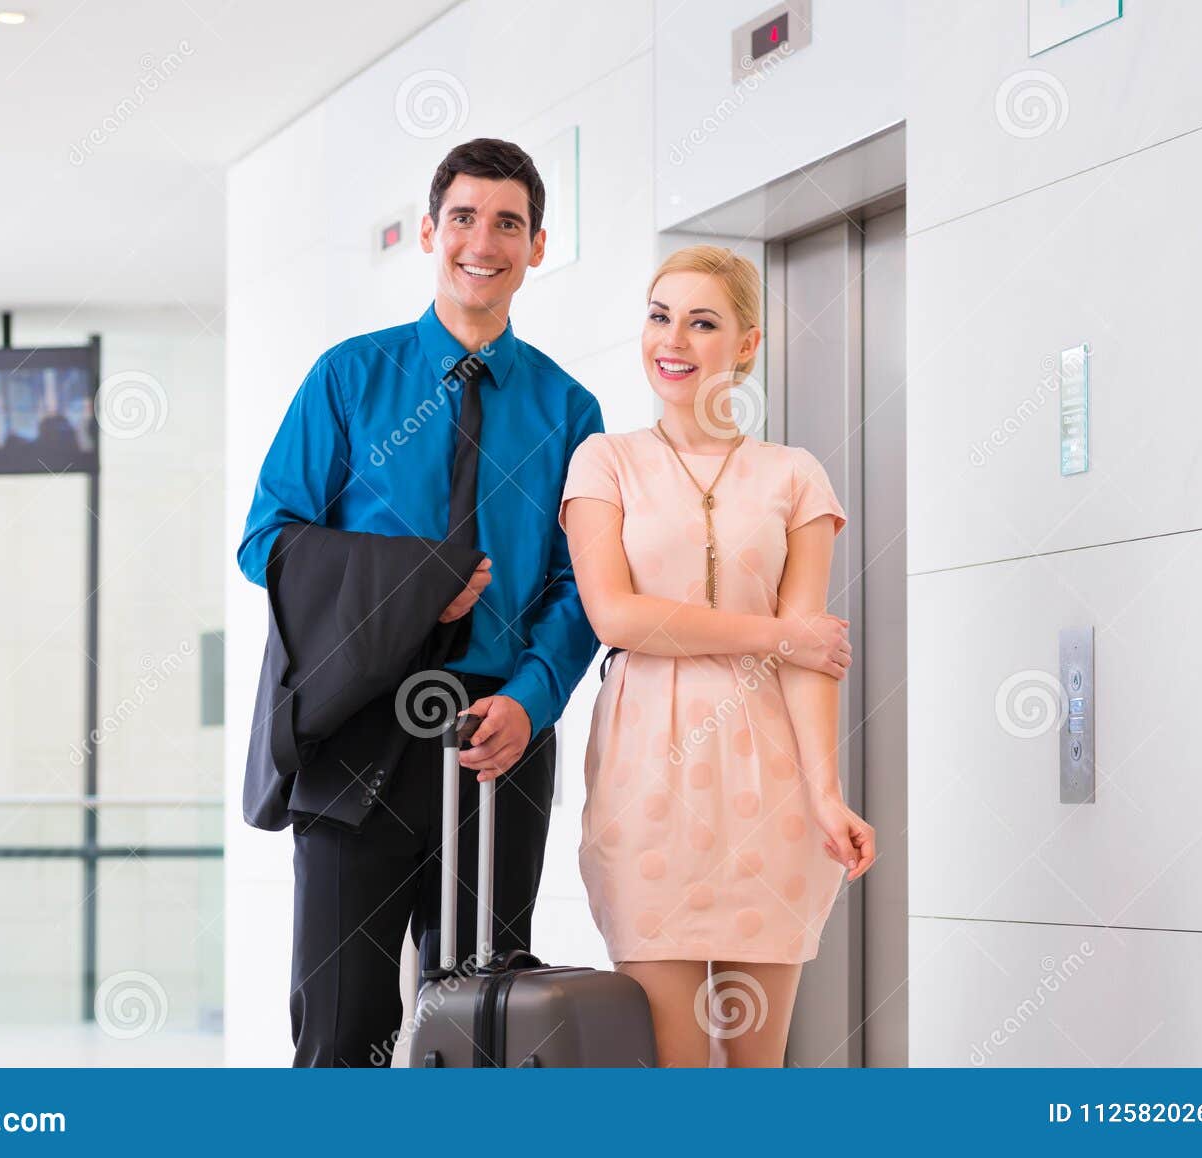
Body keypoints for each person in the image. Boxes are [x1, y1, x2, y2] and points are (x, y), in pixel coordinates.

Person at [236, 138, 605, 1066]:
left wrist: (529, 700)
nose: (484, 240)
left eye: (509, 223)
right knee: (341, 1032)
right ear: (431, 232)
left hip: (497, 737)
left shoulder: (569, 409)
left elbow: (581, 586)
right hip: (359, 727)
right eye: (465, 218)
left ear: (538, 245)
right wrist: (411, 584)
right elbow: (267, 541)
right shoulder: (350, 378)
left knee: (480, 1033)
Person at [558, 244, 877, 1067]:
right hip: (646, 776)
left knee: (755, 1073)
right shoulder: (605, 460)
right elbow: (616, 615)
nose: (674, 339)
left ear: (746, 346)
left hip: (767, 781)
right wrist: (775, 633)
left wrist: (827, 793)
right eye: (660, 315)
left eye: (703, 322)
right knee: (672, 1069)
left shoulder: (795, 475)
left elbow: (815, 656)